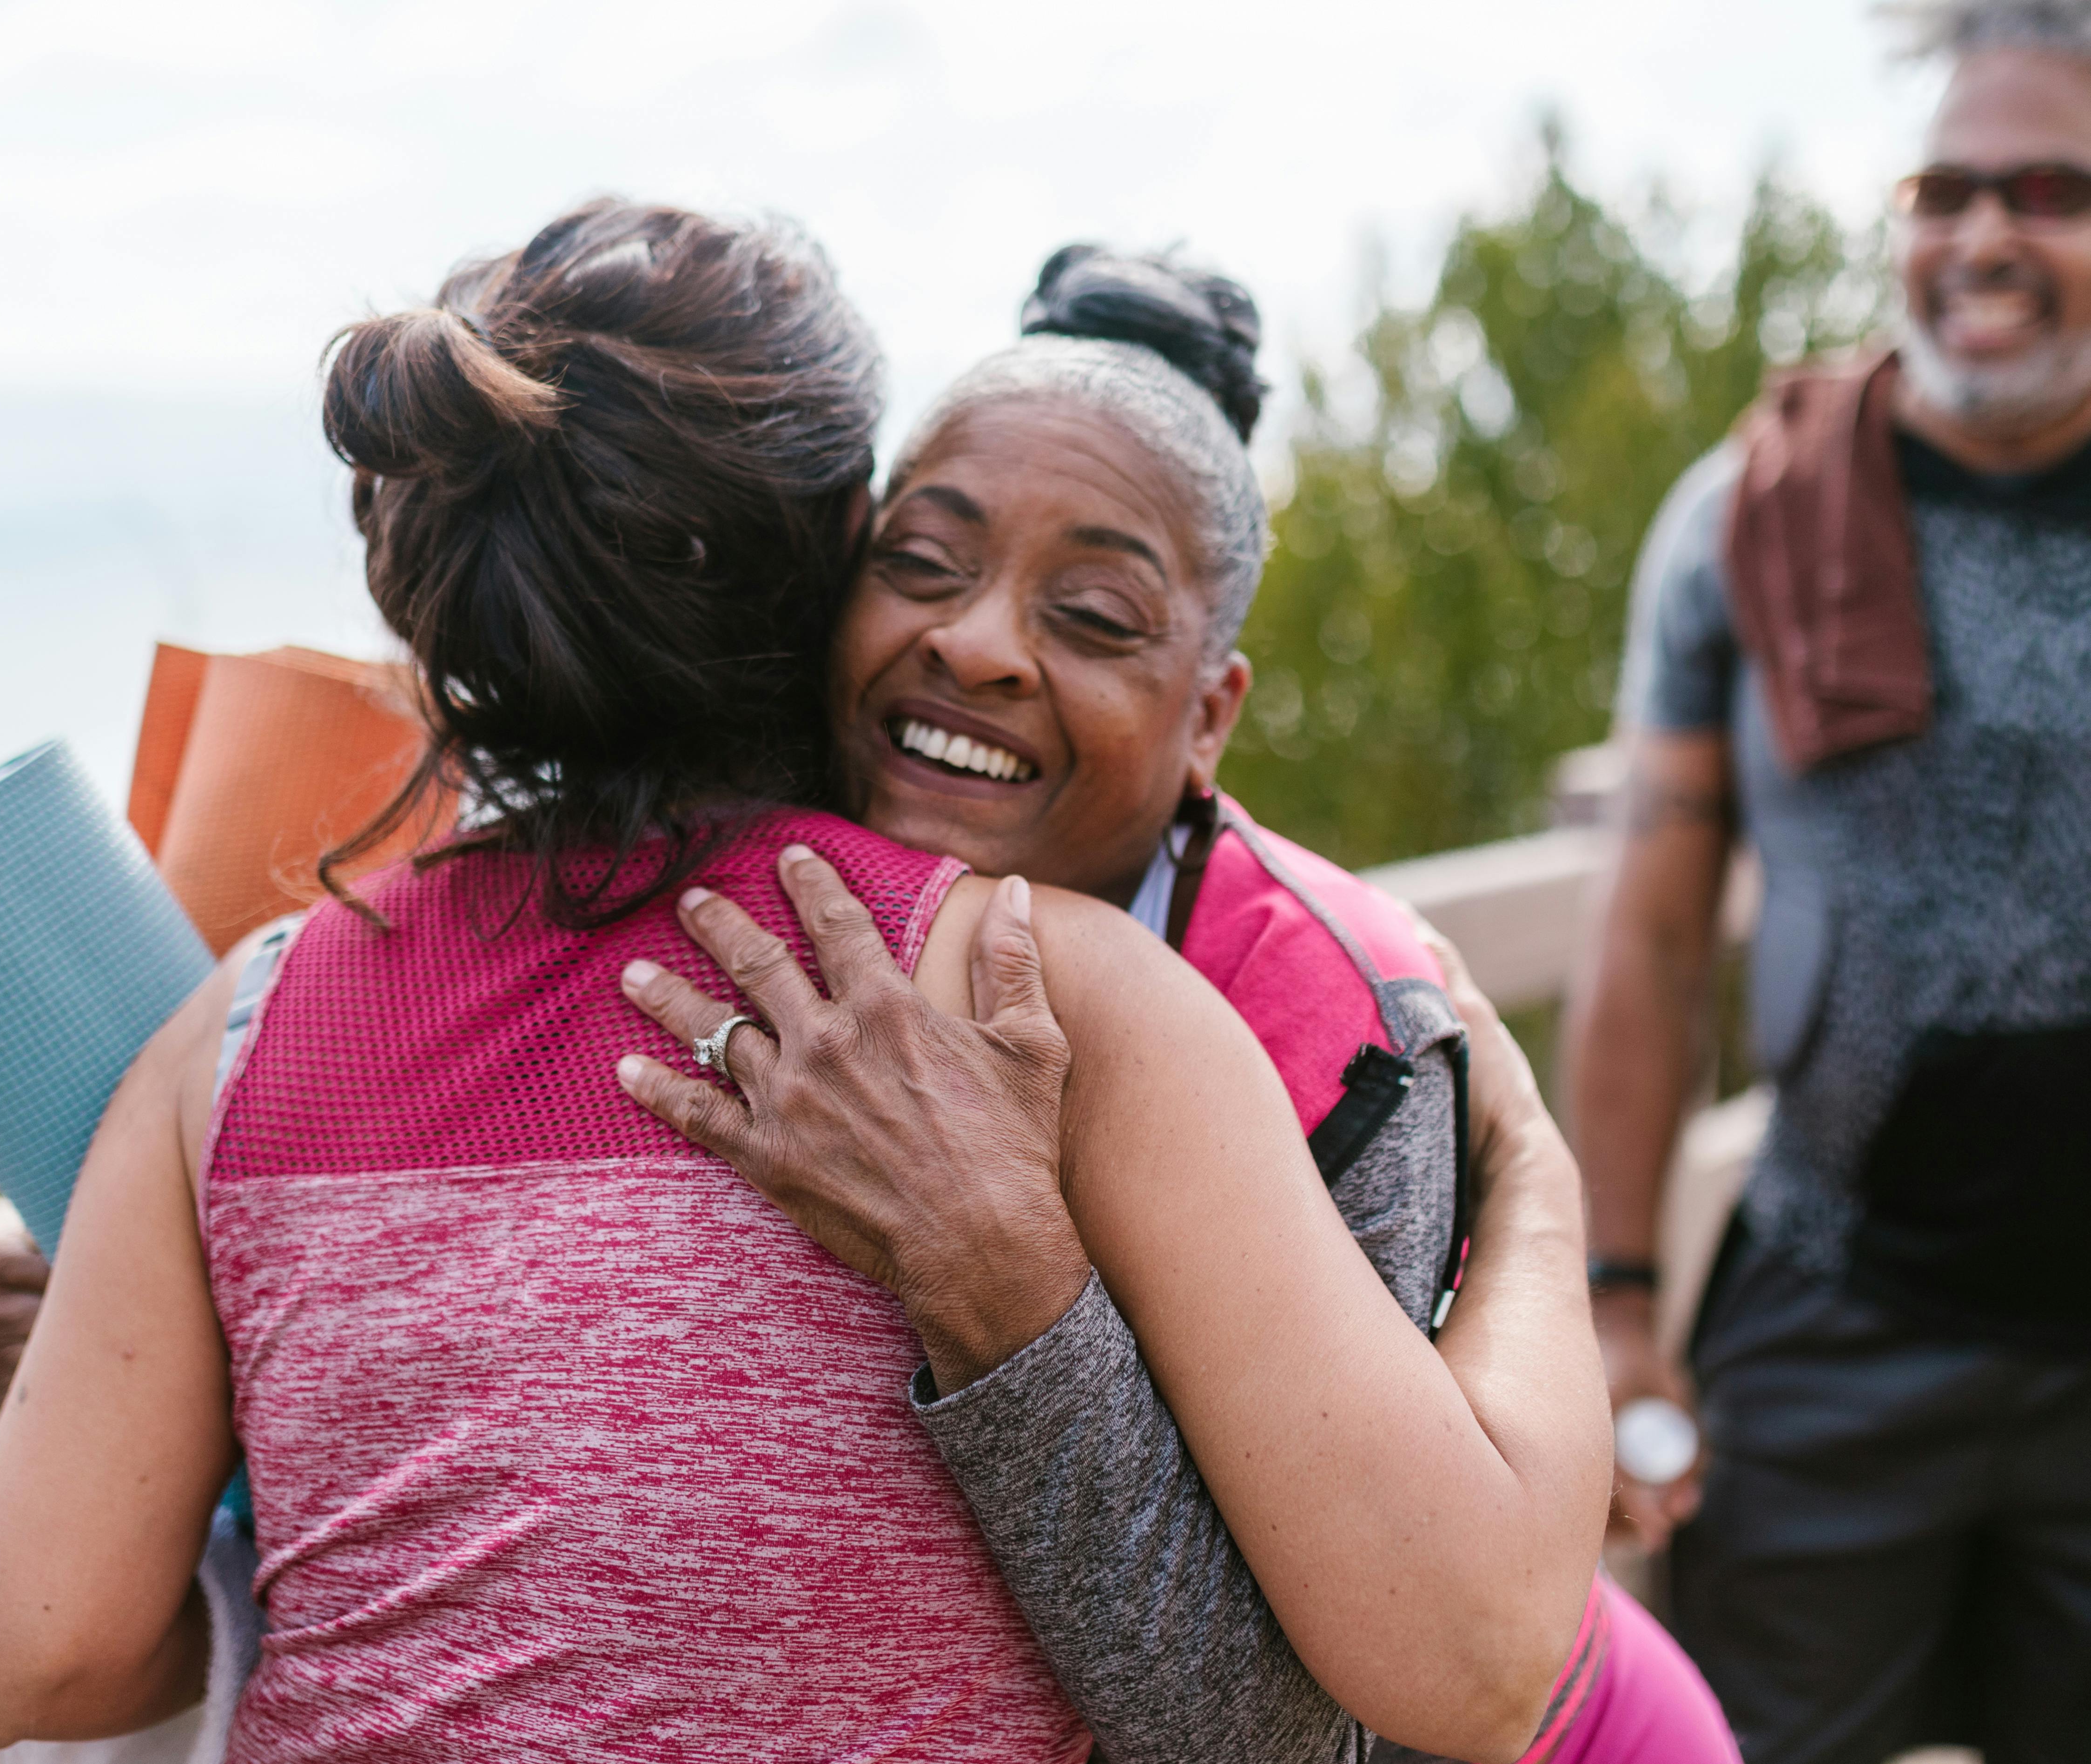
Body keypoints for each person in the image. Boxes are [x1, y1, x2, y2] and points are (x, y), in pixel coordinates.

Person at [0, 199, 1609, 1763]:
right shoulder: (1053, 997)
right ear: (828, 566)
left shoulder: (237, 1031)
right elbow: (1468, 1658)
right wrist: (1530, 1174)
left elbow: (25, 1653)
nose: (977, 642)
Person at [616, 247, 1736, 1763]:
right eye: (924, 563)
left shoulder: (1336, 1033)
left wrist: (1528, 1159)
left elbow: (1366, 1689)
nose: (978, 642)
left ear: (1211, 713)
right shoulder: (745, 889)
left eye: (1089, 614)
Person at [1564, 4, 2091, 1757]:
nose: (1980, 236)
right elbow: (1651, 942)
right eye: (1941, 186)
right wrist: (1617, 1315)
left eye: (2048, 189)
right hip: (1830, 1330)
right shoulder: (1749, 514)